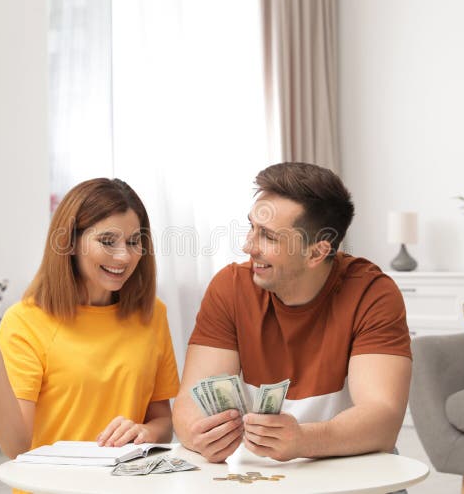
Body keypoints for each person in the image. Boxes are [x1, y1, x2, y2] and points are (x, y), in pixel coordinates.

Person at [173, 162, 412, 464]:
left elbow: (383, 420)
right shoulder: (230, 287)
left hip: (350, 471)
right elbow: (189, 402)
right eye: (252, 228)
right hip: (262, 477)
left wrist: (304, 440)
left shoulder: (372, 293)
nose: (248, 246)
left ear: (316, 252)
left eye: (268, 237)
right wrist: (198, 434)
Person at [0, 178, 180, 466]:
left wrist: (145, 431)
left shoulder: (152, 314)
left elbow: (163, 421)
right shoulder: (25, 321)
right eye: (107, 241)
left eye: (134, 242)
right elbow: (16, 447)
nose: (124, 255)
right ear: (70, 242)